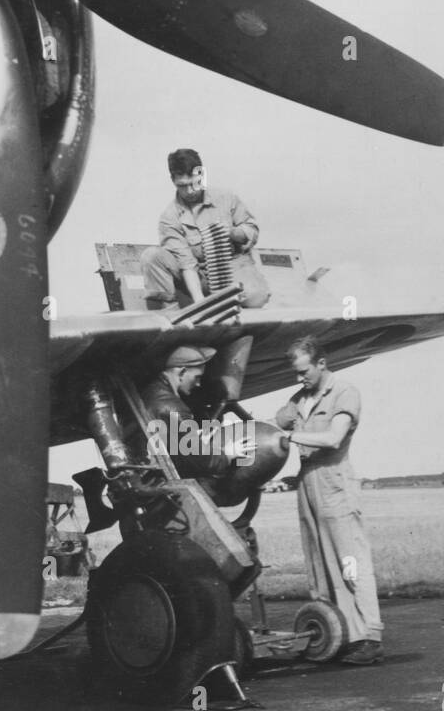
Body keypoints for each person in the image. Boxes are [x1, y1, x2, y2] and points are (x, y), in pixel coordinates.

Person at [275, 338, 384, 665]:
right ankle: (338, 633)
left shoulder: (344, 392)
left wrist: (290, 435)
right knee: (318, 561)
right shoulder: (300, 399)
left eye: (303, 371)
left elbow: (334, 437)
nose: (299, 378)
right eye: (295, 373)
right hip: (307, 480)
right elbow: (271, 425)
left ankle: (370, 637)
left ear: (321, 363)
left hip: (335, 478)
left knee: (351, 561)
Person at [141, 149, 268, 312]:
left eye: (193, 183)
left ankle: (228, 303)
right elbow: (187, 264)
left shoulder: (227, 198)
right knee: (152, 256)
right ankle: (171, 317)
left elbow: (252, 230)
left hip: (233, 266)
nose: (189, 191)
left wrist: (231, 232)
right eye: (182, 186)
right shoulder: (169, 217)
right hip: (196, 276)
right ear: (173, 180)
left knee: (256, 296)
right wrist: (201, 304)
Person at [138, 345, 250, 486]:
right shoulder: (173, 407)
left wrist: (194, 439)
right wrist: (227, 455)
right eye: (197, 377)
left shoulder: (151, 393)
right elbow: (201, 462)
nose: (198, 384)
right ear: (182, 372)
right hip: (156, 483)